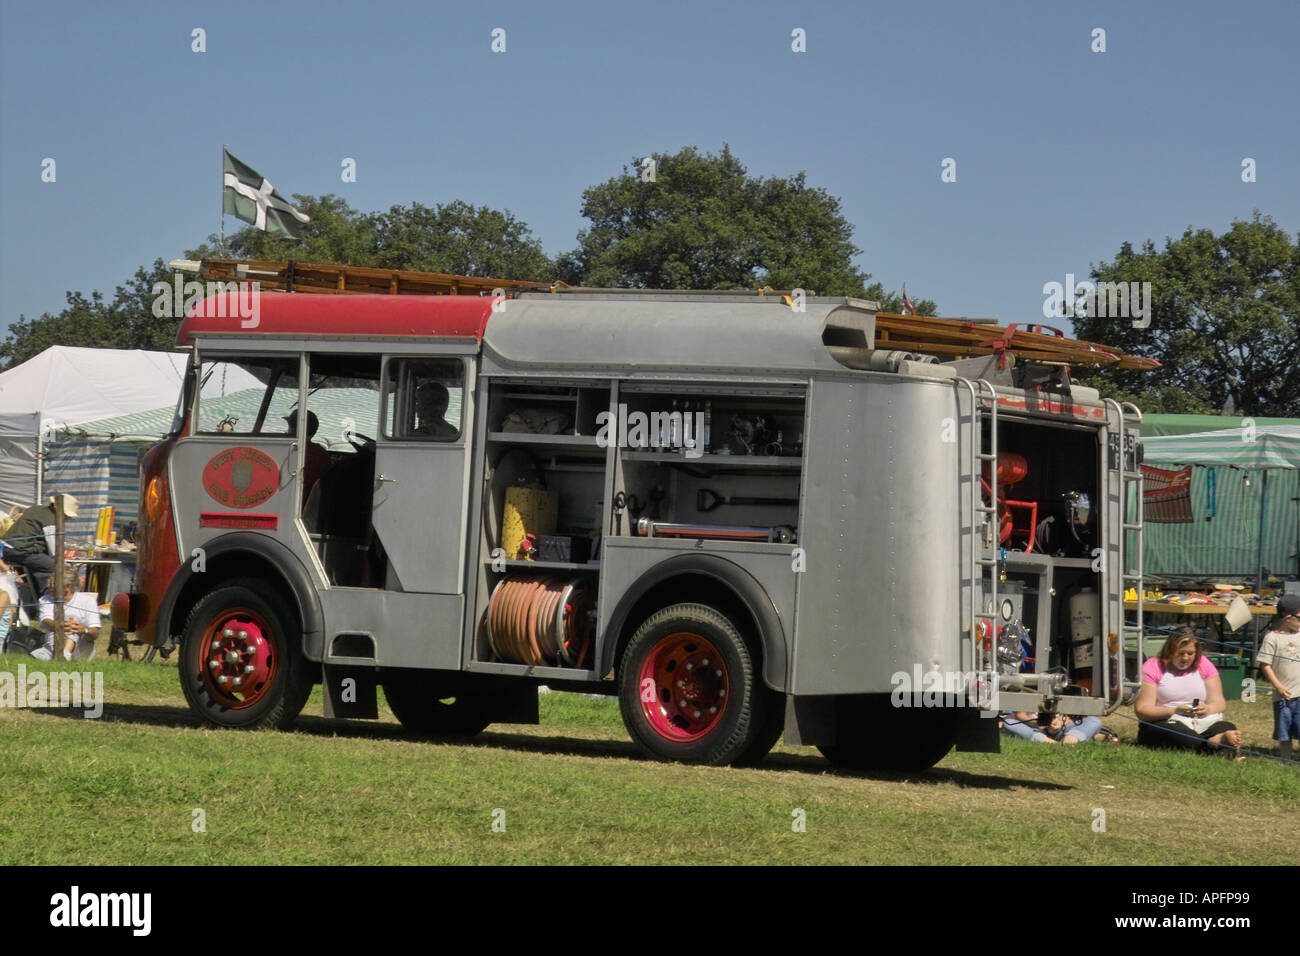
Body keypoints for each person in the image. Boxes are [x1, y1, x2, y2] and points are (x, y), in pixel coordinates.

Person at [1135, 630, 1242, 758]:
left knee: (1228, 727)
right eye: (1180, 653)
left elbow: (1219, 702)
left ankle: (1216, 745)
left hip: (1200, 722)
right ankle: (1216, 746)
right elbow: (1142, 710)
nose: (1185, 658)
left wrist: (1208, 709)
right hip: (1166, 721)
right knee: (1177, 733)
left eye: (1190, 653)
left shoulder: (1204, 664)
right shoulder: (1153, 666)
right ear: (1169, 651)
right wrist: (1174, 710)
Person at [0, 494, 79, 598]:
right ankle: (46, 598)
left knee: (39, 567)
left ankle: (35, 597)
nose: (68, 519)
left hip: (9, 548)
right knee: (53, 567)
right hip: (20, 550)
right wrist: (64, 564)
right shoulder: (51, 520)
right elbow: (54, 550)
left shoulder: (36, 509)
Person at [1257, 593, 1300, 763]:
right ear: (1288, 617)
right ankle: (1286, 760)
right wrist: (1278, 687)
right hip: (1284, 696)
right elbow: (1265, 665)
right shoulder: (1272, 638)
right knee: (1285, 731)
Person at [34, 577, 101, 661]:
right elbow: (47, 621)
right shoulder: (45, 599)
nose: (48, 586)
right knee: (31, 659)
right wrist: (60, 625)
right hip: (52, 649)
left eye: (52, 583)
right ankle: (62, 656)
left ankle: (64, 654)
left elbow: (95, 633)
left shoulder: (88, 601)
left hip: (80, 653)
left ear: (68, 586)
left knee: (73, 622)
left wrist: (84, 630)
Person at [284, 409, 330, 503]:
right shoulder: (322, 454)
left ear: (293, 429)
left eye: (289, 427)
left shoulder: (286, 451)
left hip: (288, 501)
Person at [1000, 710, 1114, 744]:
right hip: (1038, 730)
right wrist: (1039, 723)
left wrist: (1059, 722)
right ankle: (1053, 744)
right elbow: (1019, 714)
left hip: (1062, 729)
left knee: (1094, 720)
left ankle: (1071, 739)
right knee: (1008, 723)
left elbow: (1067, 717)